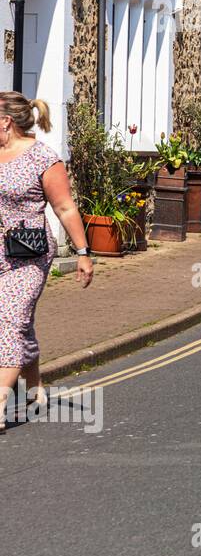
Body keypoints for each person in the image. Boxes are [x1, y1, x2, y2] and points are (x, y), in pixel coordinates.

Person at [0, 93, 94, 433]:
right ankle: (35, 387)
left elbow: (65, 208)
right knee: (19, 320)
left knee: (11, 320)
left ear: (5, 122)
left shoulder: (43, 158)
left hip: (29, 252)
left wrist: (83, 253)